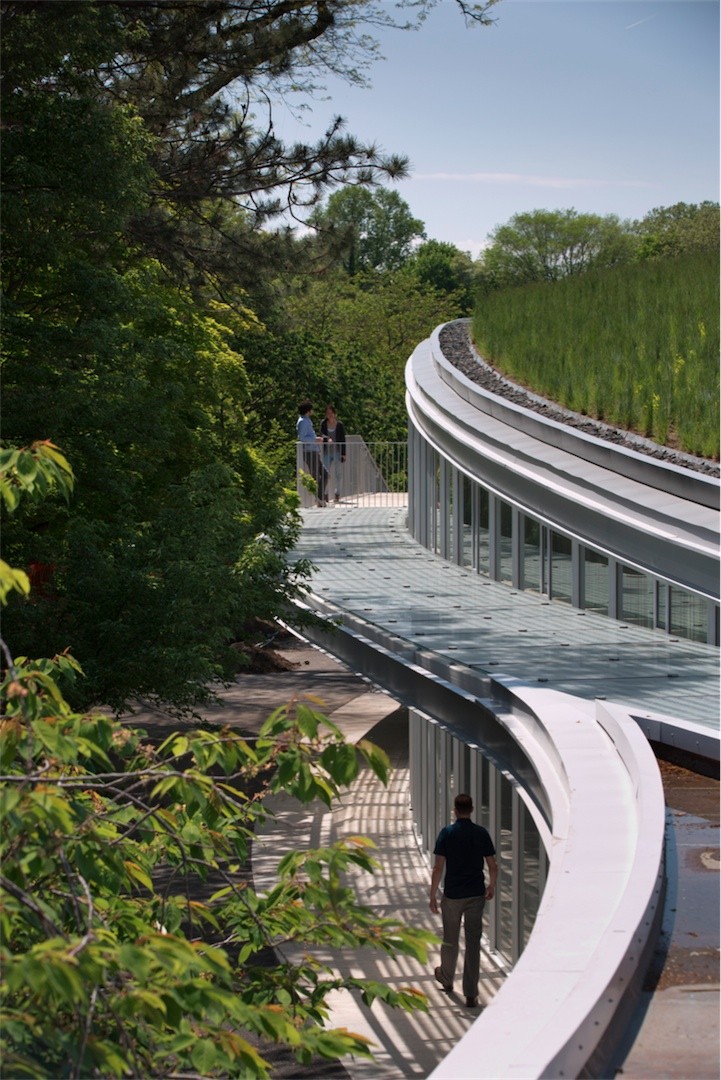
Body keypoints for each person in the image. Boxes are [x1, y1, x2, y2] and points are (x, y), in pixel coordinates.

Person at [429, 793, 497, 1009]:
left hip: (453, 895)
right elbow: (492, 865)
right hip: (476, 894)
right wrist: (491, 885)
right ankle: (471, 993)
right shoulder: (481, 833)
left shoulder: (447, 833)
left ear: (455, 810)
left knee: (450, 938)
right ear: (472, 809)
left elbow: (438, 867)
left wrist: (432, 894)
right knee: (473, 942)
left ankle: (447, 979)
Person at [296, 400, 327, 506]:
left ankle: (319, 497)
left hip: (314, 450)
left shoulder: (306, 420)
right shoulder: (303, 422)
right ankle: (319, 498)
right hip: (309, 451)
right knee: (319, 475)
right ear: (308, 411)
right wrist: (315, 439)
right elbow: (302, 437)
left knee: (323, 474)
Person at [319, 404, 346, 504]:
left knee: (338, 474)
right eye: (327, 413)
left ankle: (337, 493)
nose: (329, 415)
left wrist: (344, 453)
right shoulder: (323, 423)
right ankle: (325, 493)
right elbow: (321, 434)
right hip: (326, 452)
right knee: (325, 473)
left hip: (337, 452)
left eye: (331, 413)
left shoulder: (339, 425)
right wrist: (327, 439)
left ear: (334, 414)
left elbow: (343, 439)